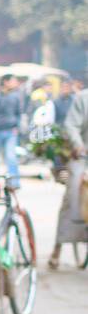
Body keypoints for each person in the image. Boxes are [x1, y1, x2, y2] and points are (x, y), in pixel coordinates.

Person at [53, 82, 88, 268]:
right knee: (73, 197)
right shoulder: (83, 98)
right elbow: (71, 125)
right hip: (83, 156)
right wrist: (78, 144)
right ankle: (57, 247)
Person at [0, 74, 24, 190]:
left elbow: (19, 113)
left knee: (11, 157)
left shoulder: (16, 97)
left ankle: (13, 183)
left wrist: (17, 127)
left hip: (10, 132)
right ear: (5, 82)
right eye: (13, 81)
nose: (15, 83)